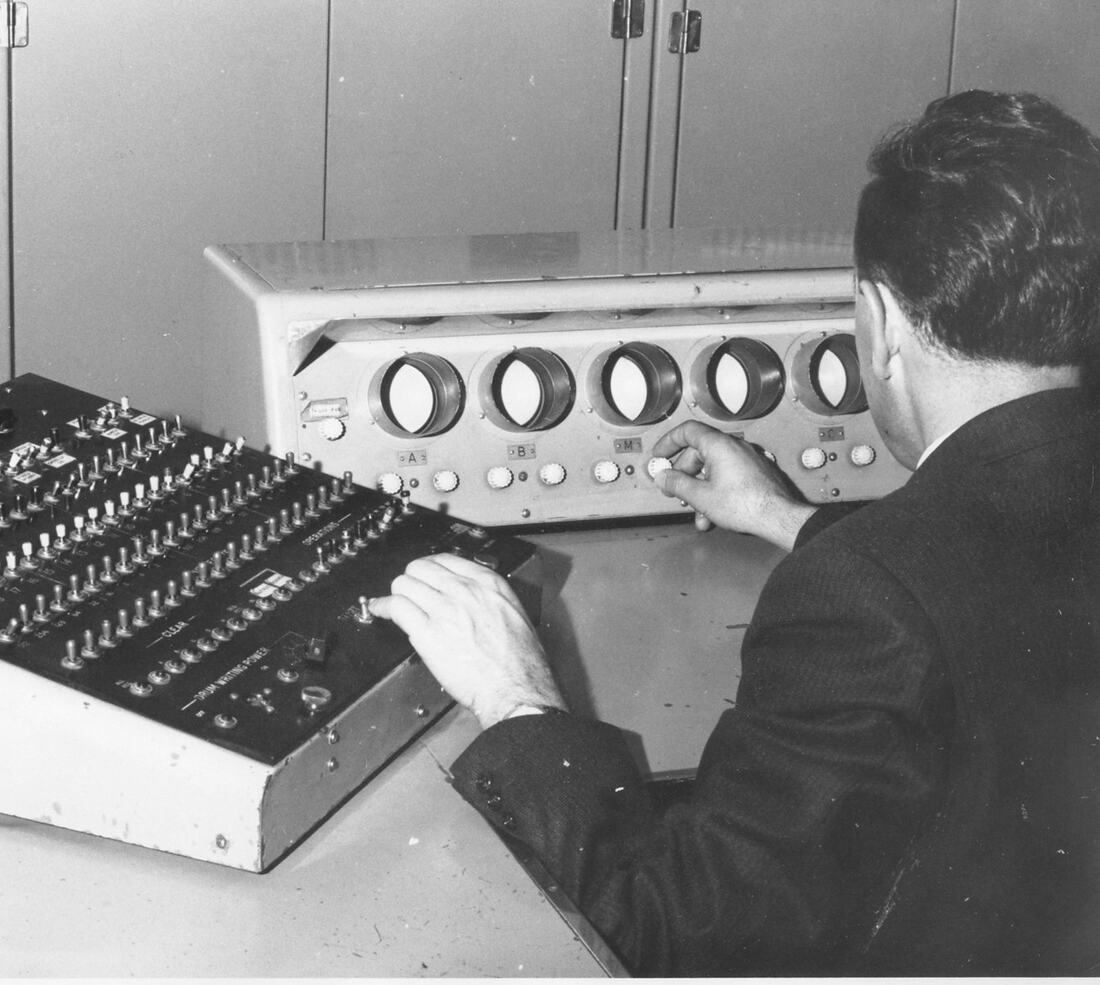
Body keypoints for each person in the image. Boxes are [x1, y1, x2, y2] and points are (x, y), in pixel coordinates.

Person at [369, 90, 1100, 976]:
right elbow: (998, 549)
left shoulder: (866, 599)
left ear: (881, 320)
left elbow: (662, 931)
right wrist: (787, 517)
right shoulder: (923, 560)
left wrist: (521, 700)